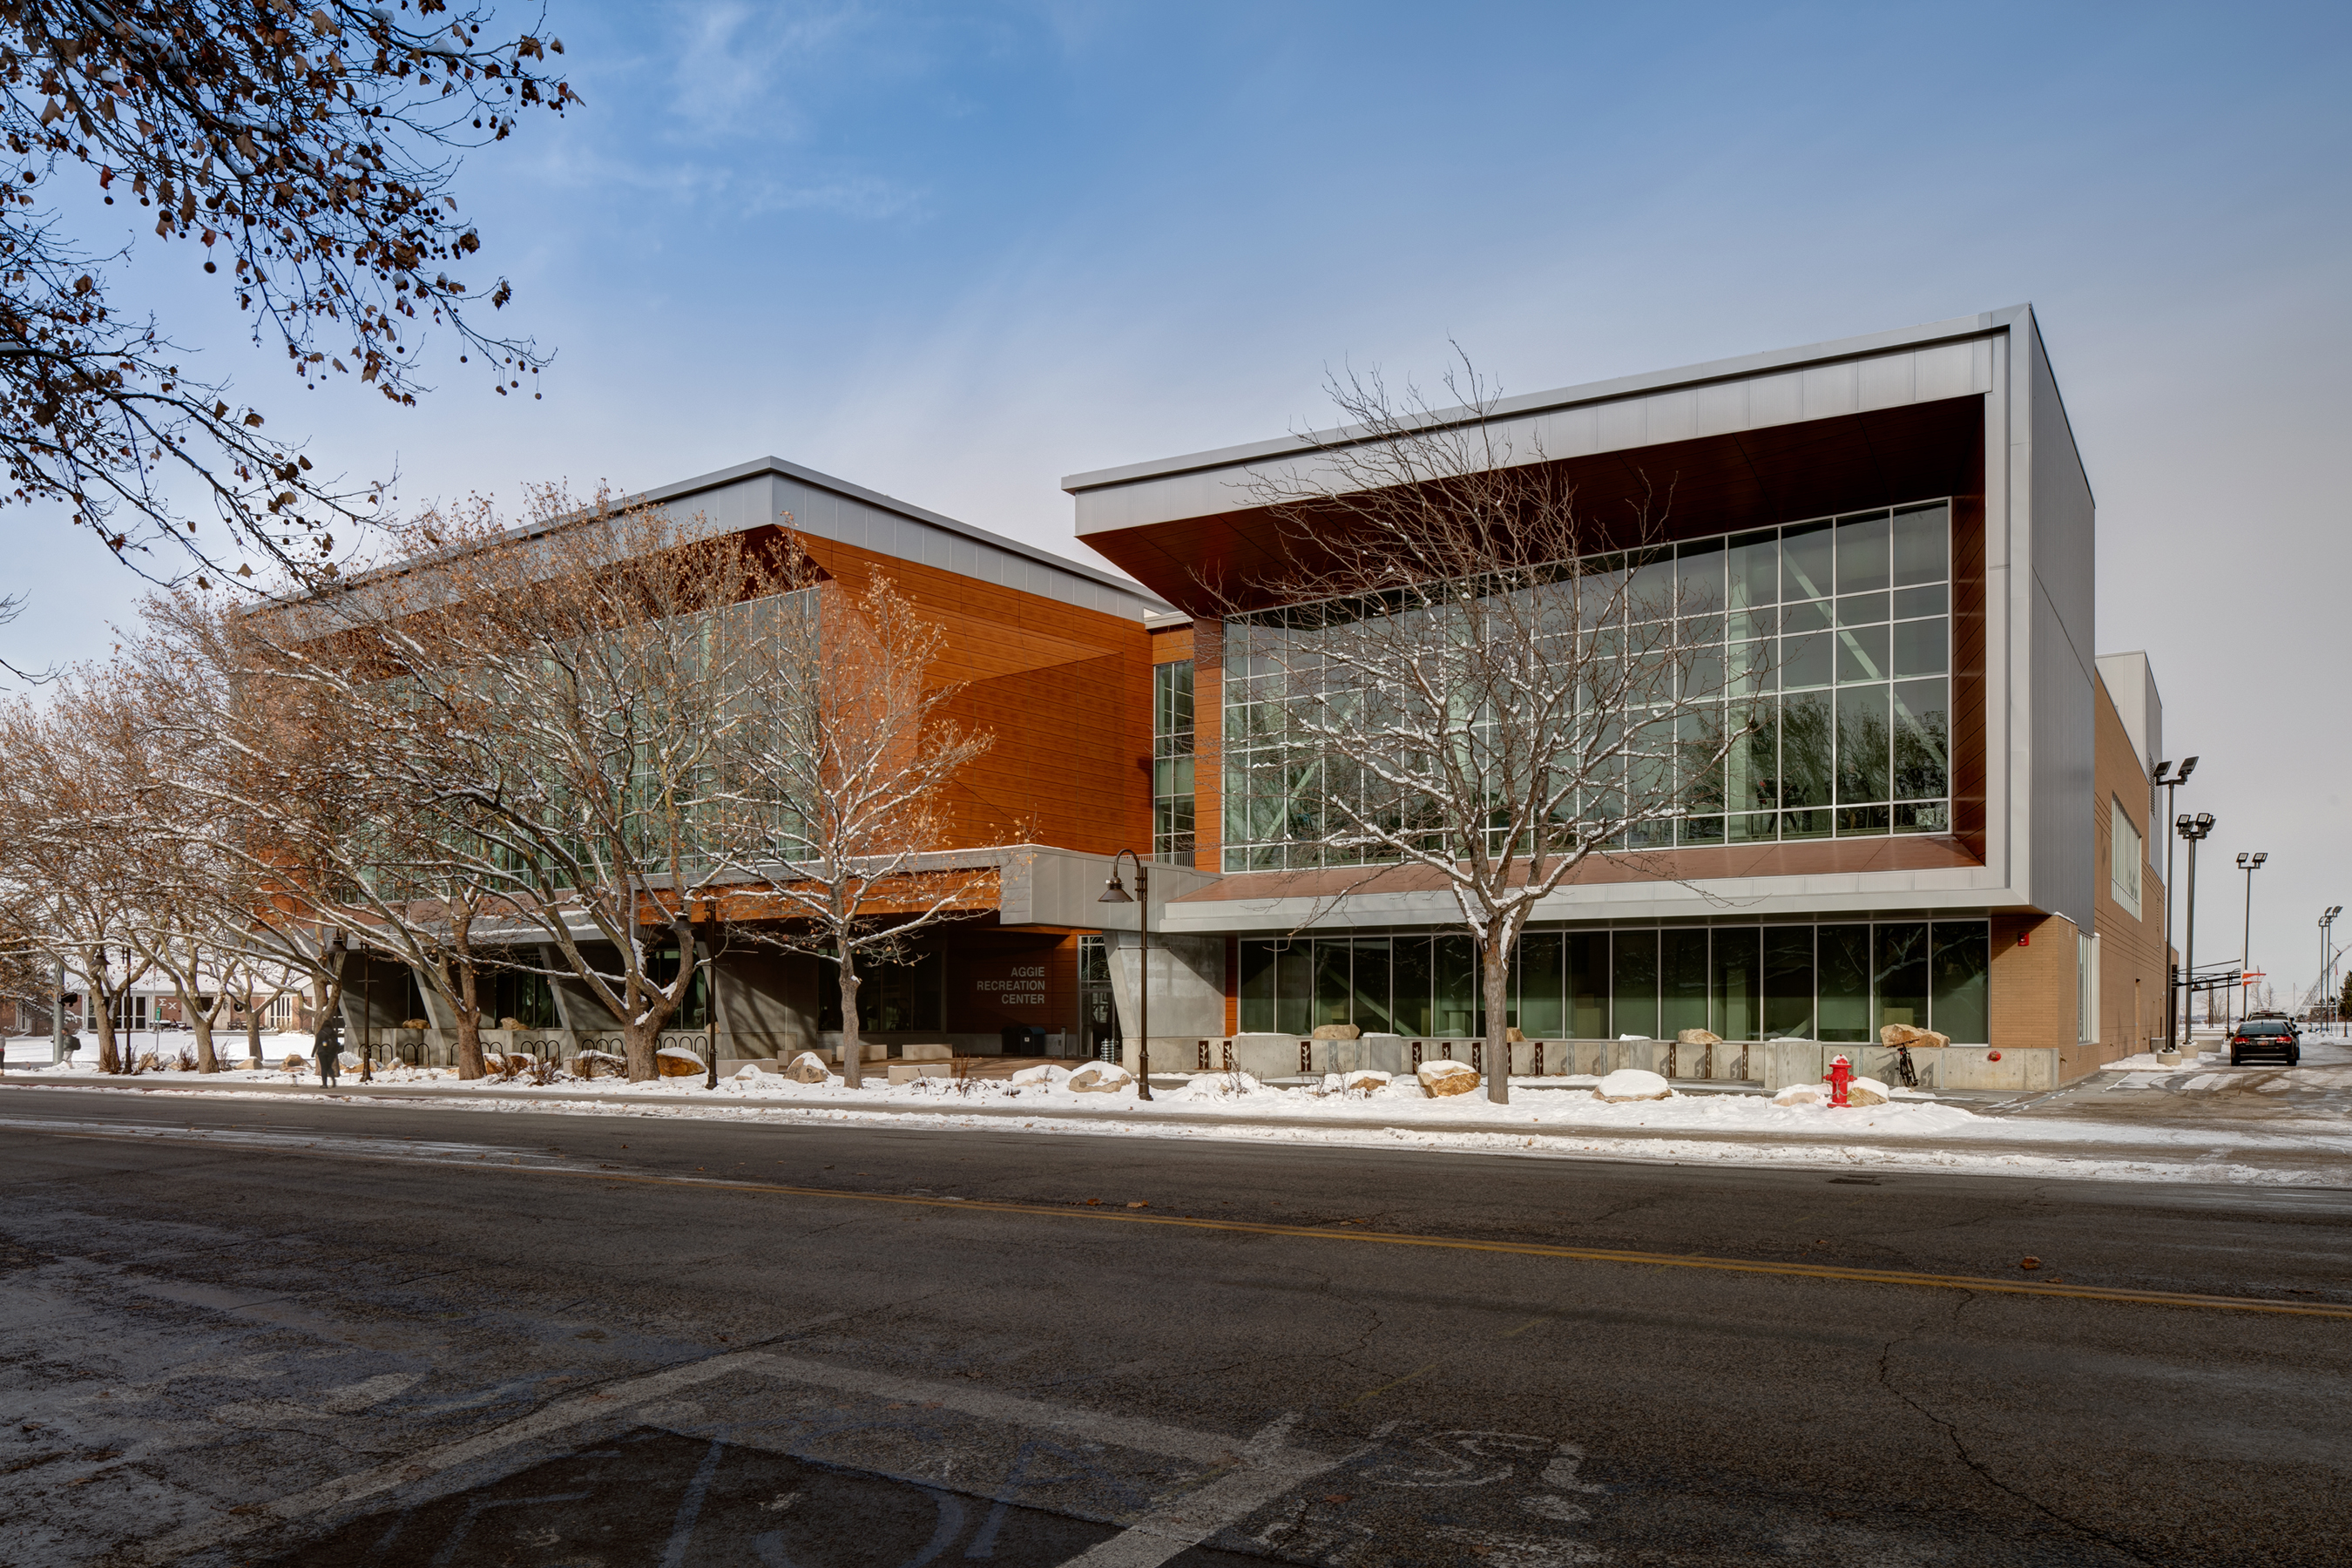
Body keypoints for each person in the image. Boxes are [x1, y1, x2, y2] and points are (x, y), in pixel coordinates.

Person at [312, 1015, 343, 1088]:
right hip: (331, 1052)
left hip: (322, 1052)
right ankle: (333, 1078)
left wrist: (313, 1053)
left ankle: (324, 1084)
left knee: (324, 1067)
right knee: (328, 1066)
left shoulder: (321, 1033)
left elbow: (317, 1043)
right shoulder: (334, 1033)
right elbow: (336, 1043)